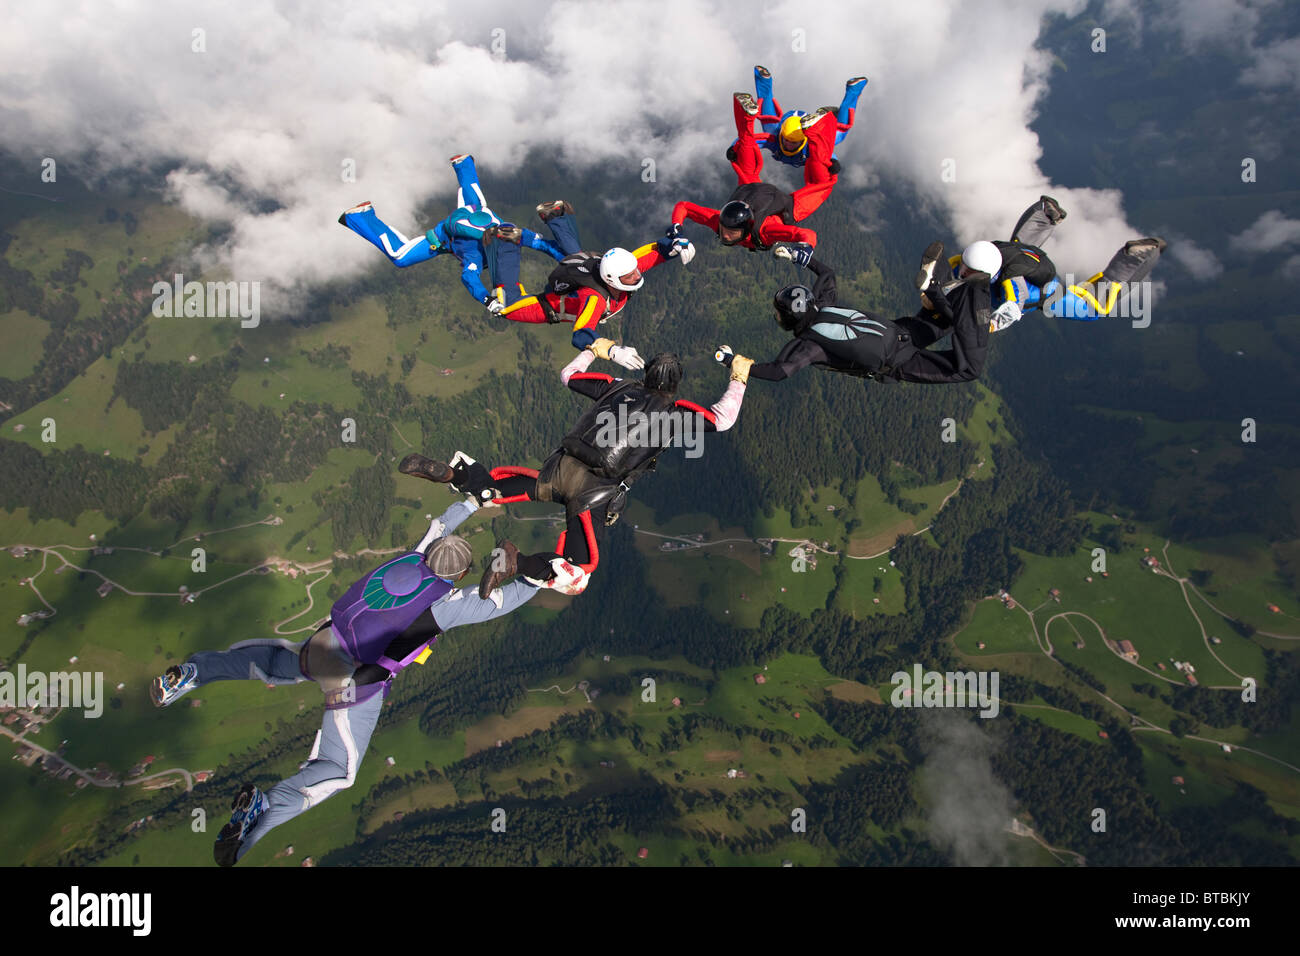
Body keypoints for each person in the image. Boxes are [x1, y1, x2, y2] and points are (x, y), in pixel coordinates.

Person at [150, 466, 536, 866]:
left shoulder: (415, 556)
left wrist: (473, 501)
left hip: (325, 642)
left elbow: (440, 524)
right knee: (338, 770)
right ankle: (260, 812)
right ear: (460, 574)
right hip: (356, 681)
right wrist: (545, 579)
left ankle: (195, 672)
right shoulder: (443, 604)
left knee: (272, 663)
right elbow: (499, 602)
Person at [443, 342, 752, 598]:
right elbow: (722, 419)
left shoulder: (617, 386)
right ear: (676, 384)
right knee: (577, 573)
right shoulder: (674, 413)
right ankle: (516, 563)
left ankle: (459, 473)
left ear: (646, 375)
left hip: (559, 468)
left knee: (492, 492)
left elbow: (568, 375)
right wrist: (738, 379)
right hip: (593, 492)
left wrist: (595, 349)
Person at [737, 242, 992, 384]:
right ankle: (943, 291)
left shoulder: (808, 345)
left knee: (967, 370)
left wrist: (736, 365)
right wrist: (799, 257)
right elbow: (827, 275)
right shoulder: (823, 304)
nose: (777, 317)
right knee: (949, 320)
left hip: (897, 362)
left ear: (790, 318)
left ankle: (941, 291)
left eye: (779, 314)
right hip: (903, 331)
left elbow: (778, 372)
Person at [338, 154, 567, 312]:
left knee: (474, 204)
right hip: (445, 238)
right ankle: (361, 217)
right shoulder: (476, 254)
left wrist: (566, 259)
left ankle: (464, 164)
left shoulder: (513, 233)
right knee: (400, 256)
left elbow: (542, 244)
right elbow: (469, 277)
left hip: (475, 215)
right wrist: (486, 300)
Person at [937, 196, 1166, 331]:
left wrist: (974, 324)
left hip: (1046, 292)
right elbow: (950, 271)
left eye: (969, 271)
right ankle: (1045, 213)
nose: (963, 272)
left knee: (1094, 308)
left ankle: (1135, 257)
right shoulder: (979, 257)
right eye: (965, 268)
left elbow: (1007, 314)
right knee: (1018, 247)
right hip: (1019, 260)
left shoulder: (1014, 285)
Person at [496, 208, 694, 363]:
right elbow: (580, 333)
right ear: (612, 279)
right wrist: (611, 350)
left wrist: (677, 243)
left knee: (573, 257)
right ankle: (506, 243)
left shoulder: (627, 266)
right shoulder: (595, 299)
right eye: (630, 275)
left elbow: (656, 250)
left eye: (635, 270)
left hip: (585, 265)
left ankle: (549, 222)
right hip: (551, 305)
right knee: (506, 307)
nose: (637, 275)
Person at [727, 65, 867, 186]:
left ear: (802, 141)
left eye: (793, 142)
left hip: (803, 127)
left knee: (838, 135)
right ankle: (763, 80)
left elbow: (827, 153)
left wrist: (833, 163)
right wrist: (735, 148)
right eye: (786, 140)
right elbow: (751, 140)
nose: (788, 144)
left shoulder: (809, 145)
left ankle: (852, 92)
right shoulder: (776, 137)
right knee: (769, 126)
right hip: (789, 123)